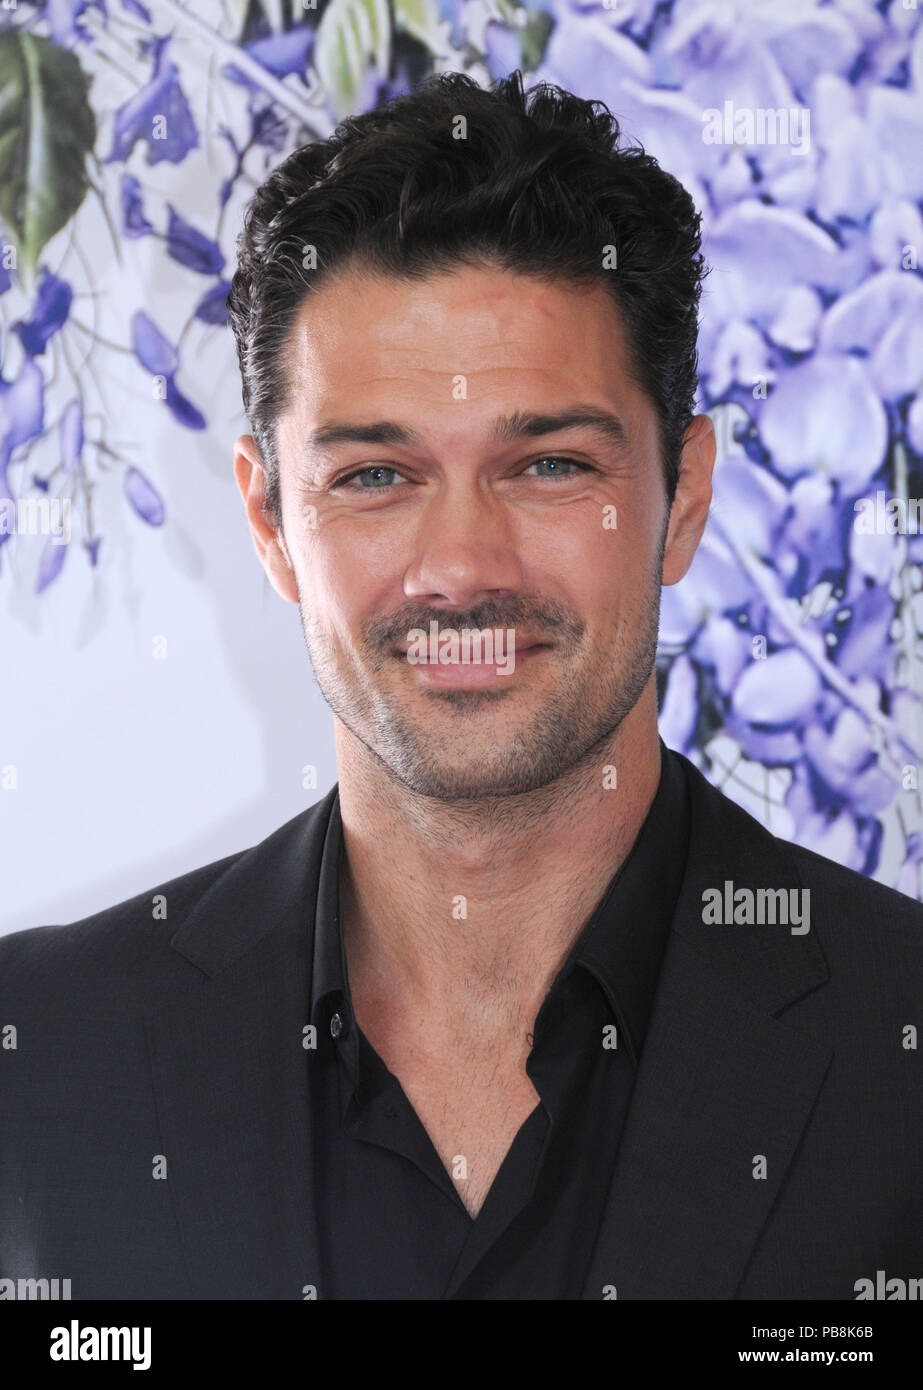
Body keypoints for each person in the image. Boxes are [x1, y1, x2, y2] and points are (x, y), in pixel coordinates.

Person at [2, 70, 921, 1302]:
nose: (461, 569)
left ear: (683, 499)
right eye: (375, 476)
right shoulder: (42, 1061)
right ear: (269, 519)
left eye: (546, 463)